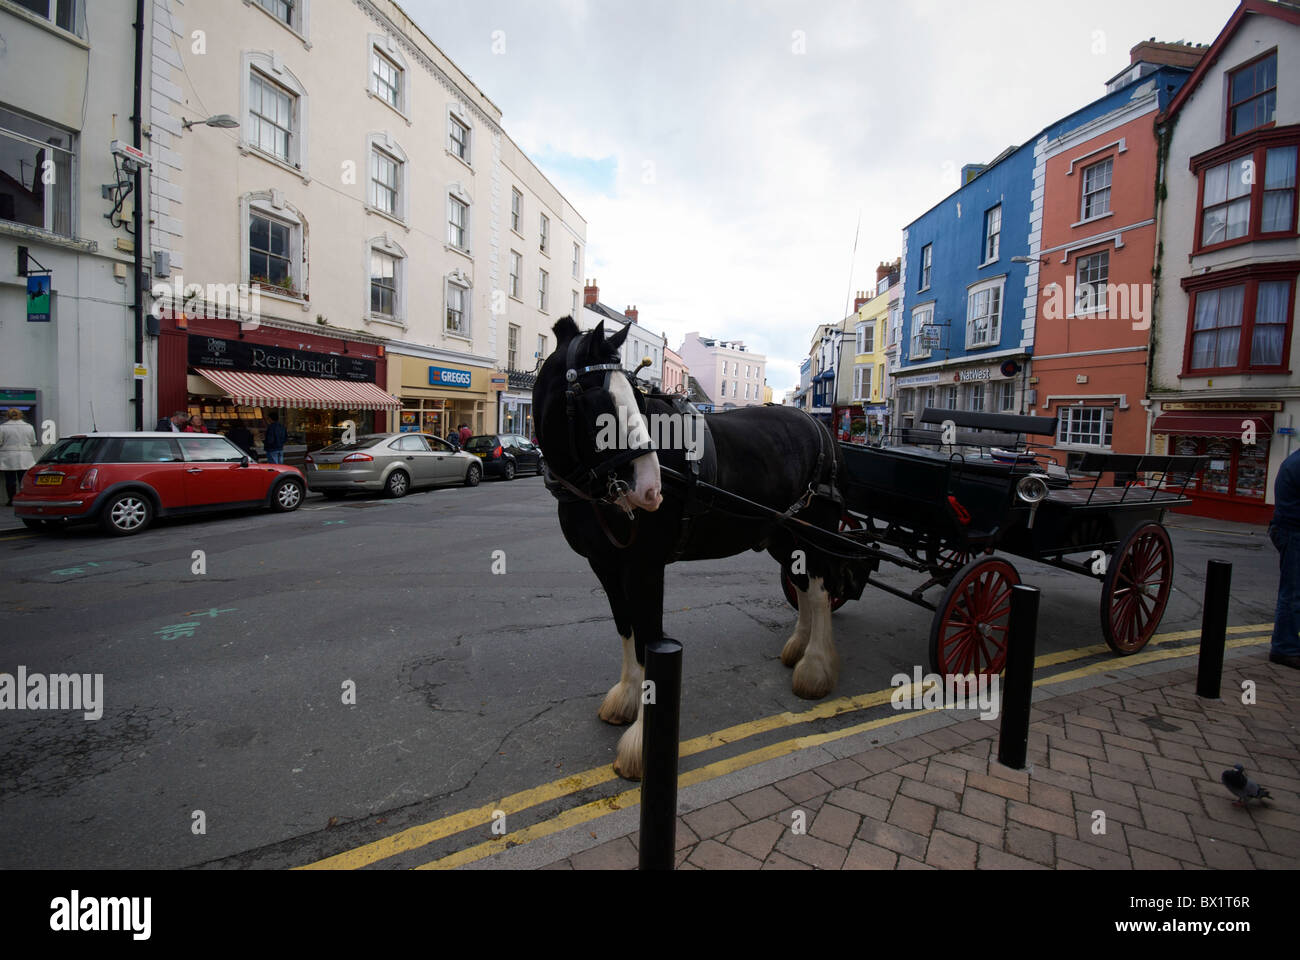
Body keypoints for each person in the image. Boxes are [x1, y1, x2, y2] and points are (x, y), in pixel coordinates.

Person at [1269, 448, 1300, 669]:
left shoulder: (1293, 460)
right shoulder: (1296, 464)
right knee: (1293, 592)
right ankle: (1284, 647)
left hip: (1289, 528)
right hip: (1294, 531)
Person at [0, 408, 36, 506]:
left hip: (8, 457)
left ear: (7, 415)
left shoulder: (2, 427)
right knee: (23, 480)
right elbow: (33, 442)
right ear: (21, 415)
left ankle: (11, 500)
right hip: (25, 457)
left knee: (10, 480)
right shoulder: (29, 427)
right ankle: (23, 498)